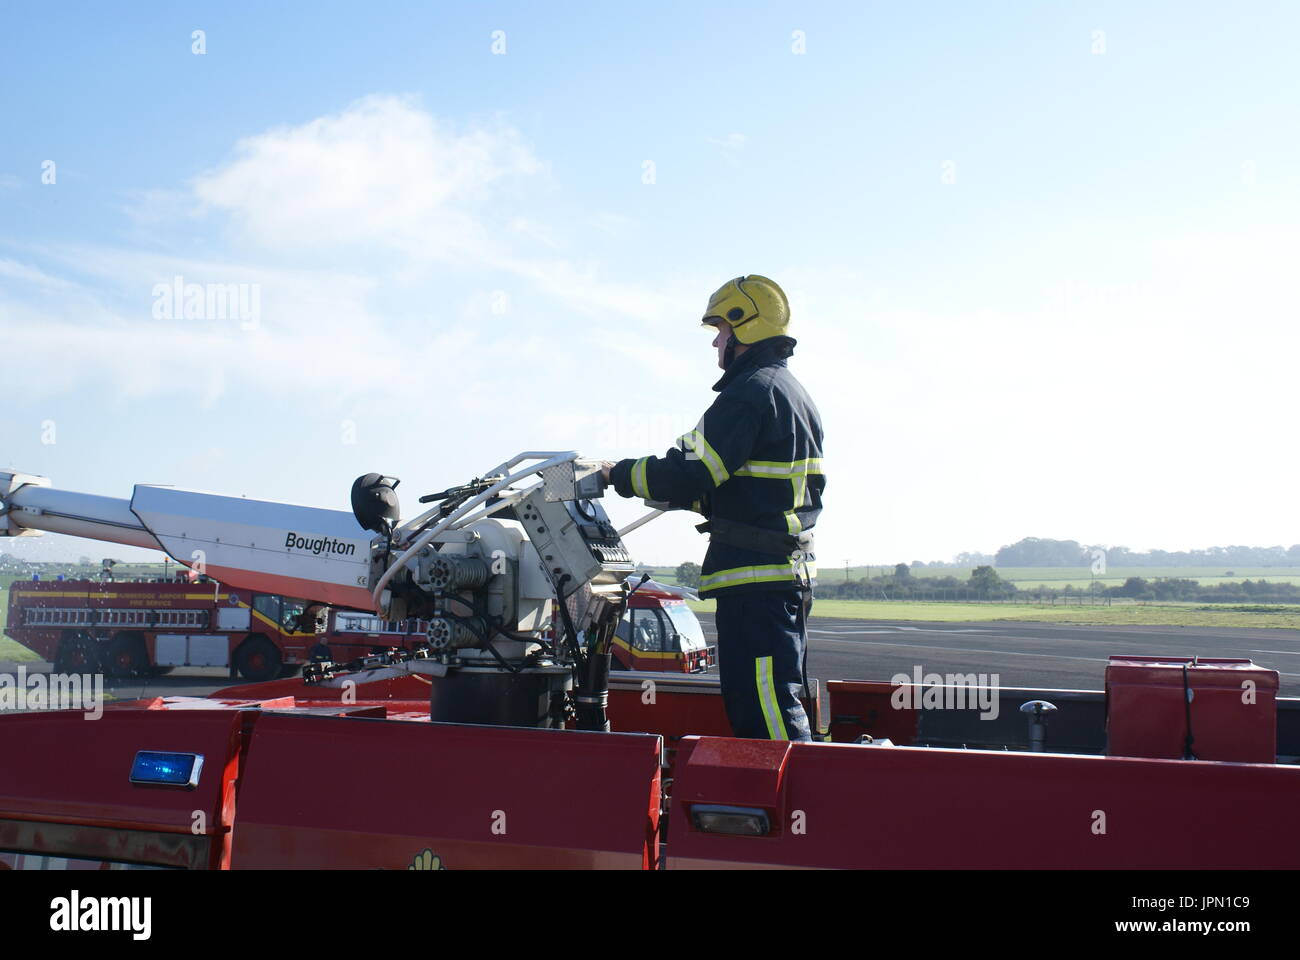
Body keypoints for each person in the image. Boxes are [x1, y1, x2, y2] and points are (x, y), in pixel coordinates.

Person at [601, 275, 825, 741]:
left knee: (766, 710)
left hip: (757, 581)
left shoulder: (750, 394)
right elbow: (749, 489)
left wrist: (614, 474)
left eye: (721, 330)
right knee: (773, 699)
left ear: (746, 328)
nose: (717, 343)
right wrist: (681, 494)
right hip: (777, 577)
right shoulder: (790, 393)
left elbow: (690, 471)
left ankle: (787, 805)